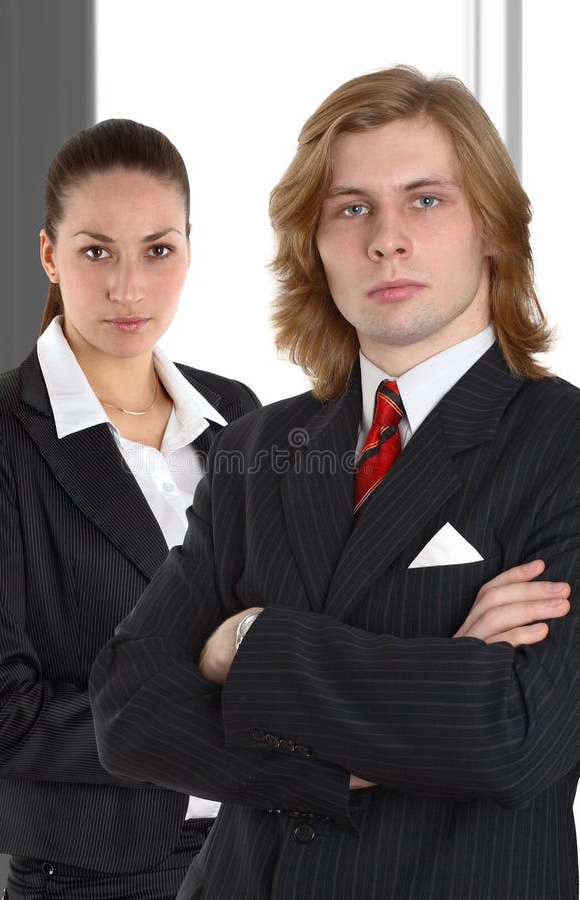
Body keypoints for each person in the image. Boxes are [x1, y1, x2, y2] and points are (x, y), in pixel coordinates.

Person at [88, 67, 580, 899]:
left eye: (425, 200)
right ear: (313, 246)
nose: (385, 238)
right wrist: (413, 701)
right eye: (351, 208)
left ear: (491, 228)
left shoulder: (563, 443)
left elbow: (512, 734)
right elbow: (127, 711)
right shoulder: (256, 448)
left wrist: (242, 644)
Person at [0, 118, 260, 900]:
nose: (128, 287)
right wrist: (214, 716)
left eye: (157, 250)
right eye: (96, 250)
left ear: (189, 251)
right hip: (99, 876)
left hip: (264, 854)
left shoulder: (237, 417)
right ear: (49, 254)